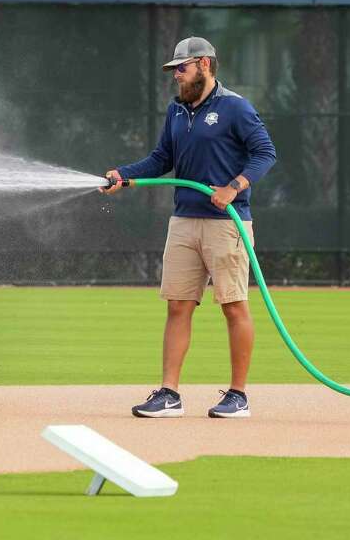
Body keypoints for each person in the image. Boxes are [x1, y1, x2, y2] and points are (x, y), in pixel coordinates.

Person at [101, 36, 277, 418]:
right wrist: (124, 176)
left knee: (233, 306)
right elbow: (162, 158)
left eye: (182, 68)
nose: (176, 76)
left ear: (205, 65)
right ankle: (169, 394)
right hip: (183, 221)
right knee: (178, 306)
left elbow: (265, 153)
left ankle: (238, 395)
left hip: (226, 225)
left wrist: (234, 188)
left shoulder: (235, 108)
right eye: (174, 70)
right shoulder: (177, 111)